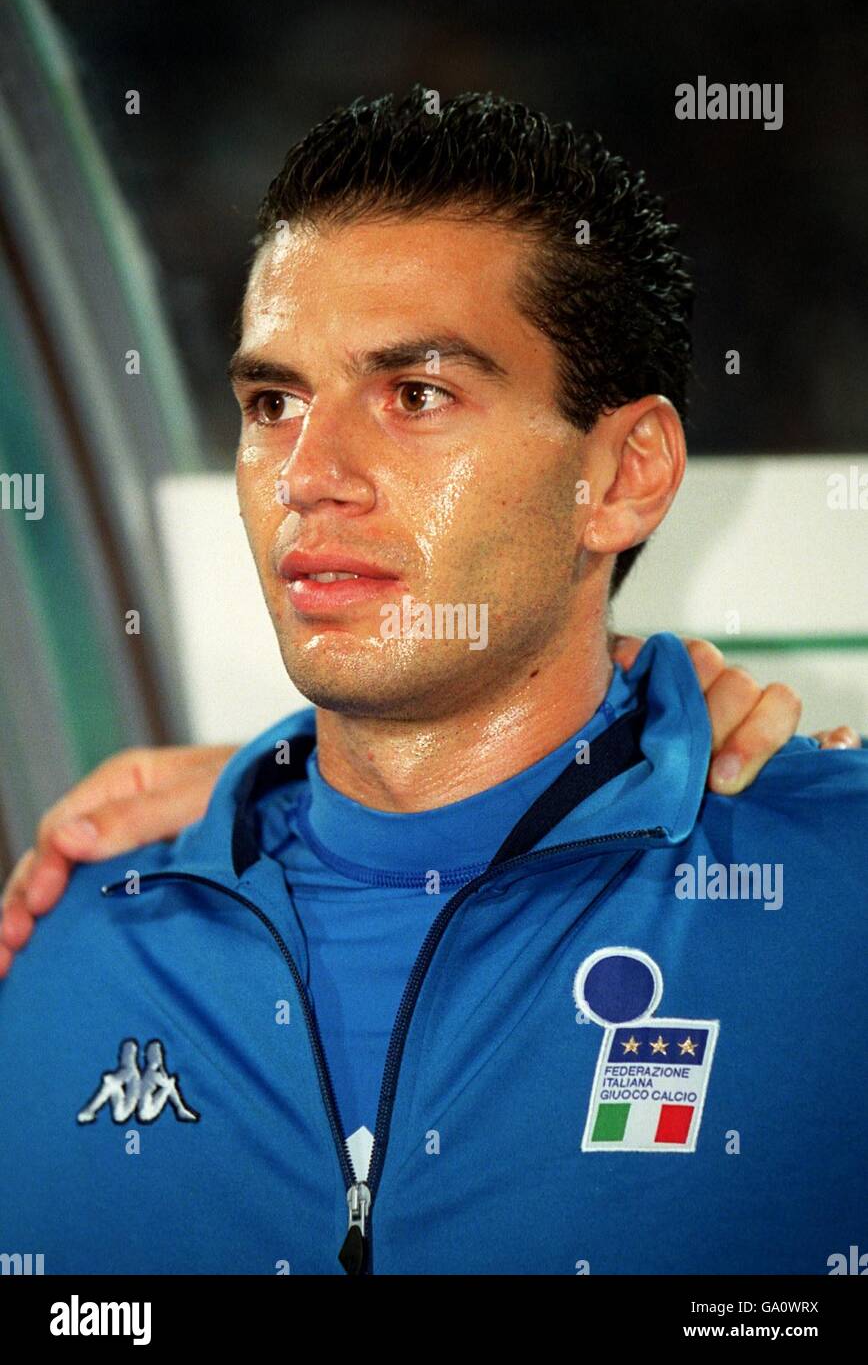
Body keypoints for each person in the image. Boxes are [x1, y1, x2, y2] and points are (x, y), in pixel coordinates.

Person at [0, 88, 864, 1276]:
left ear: (622, 475)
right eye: (273, 403)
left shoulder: (829, 895)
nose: (309, 474)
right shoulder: (69, 938)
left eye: (415, 395)